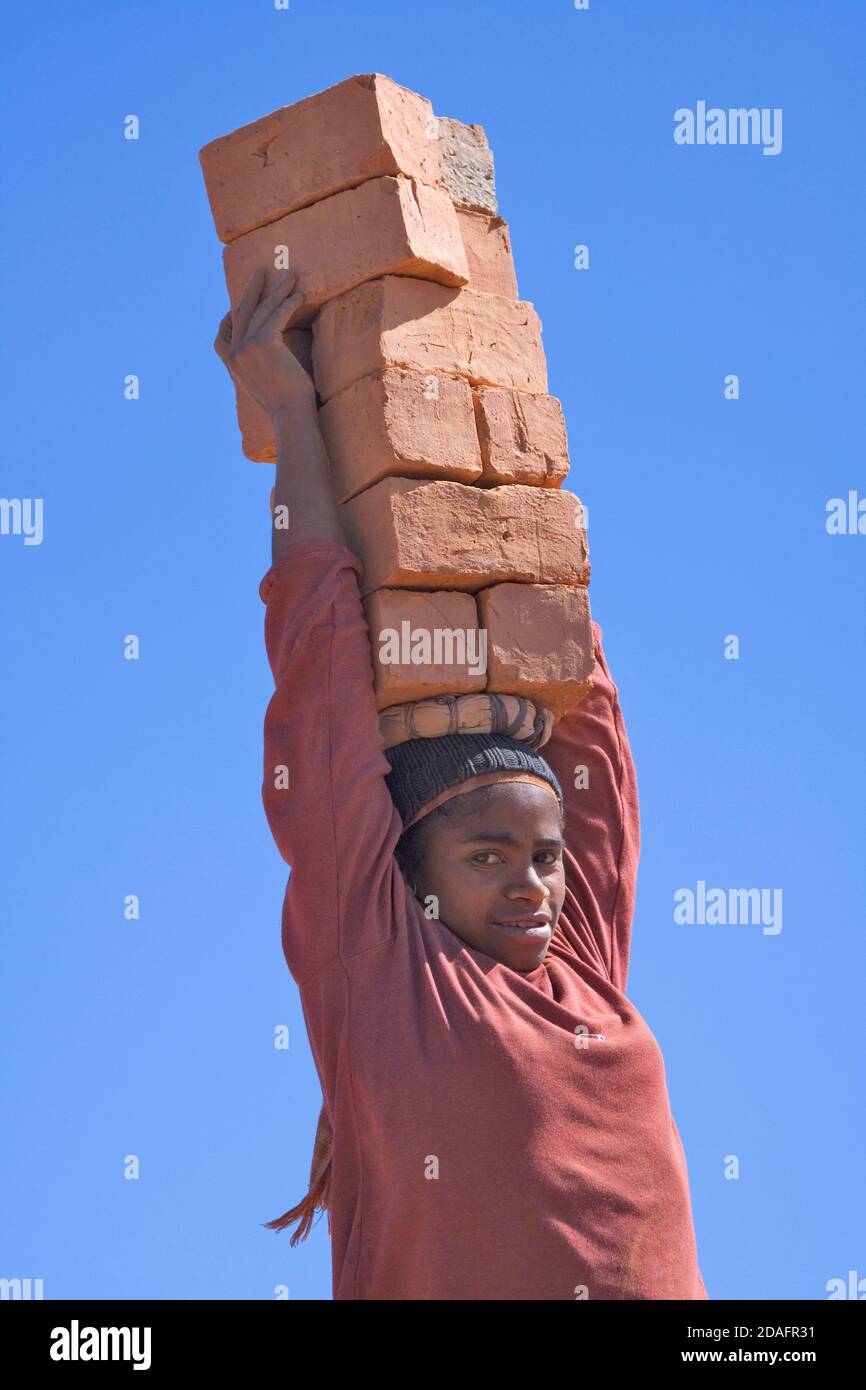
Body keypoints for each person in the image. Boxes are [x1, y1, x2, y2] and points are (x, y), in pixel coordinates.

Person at [214, 268, 709, 1300]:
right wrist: (299, 420)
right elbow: (319, 678)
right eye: (486, 857)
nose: (532, 884)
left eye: (542, 858)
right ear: (408, 866)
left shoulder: (585, 971)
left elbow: (585, 720)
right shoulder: (387, 973)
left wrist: (487, 441)